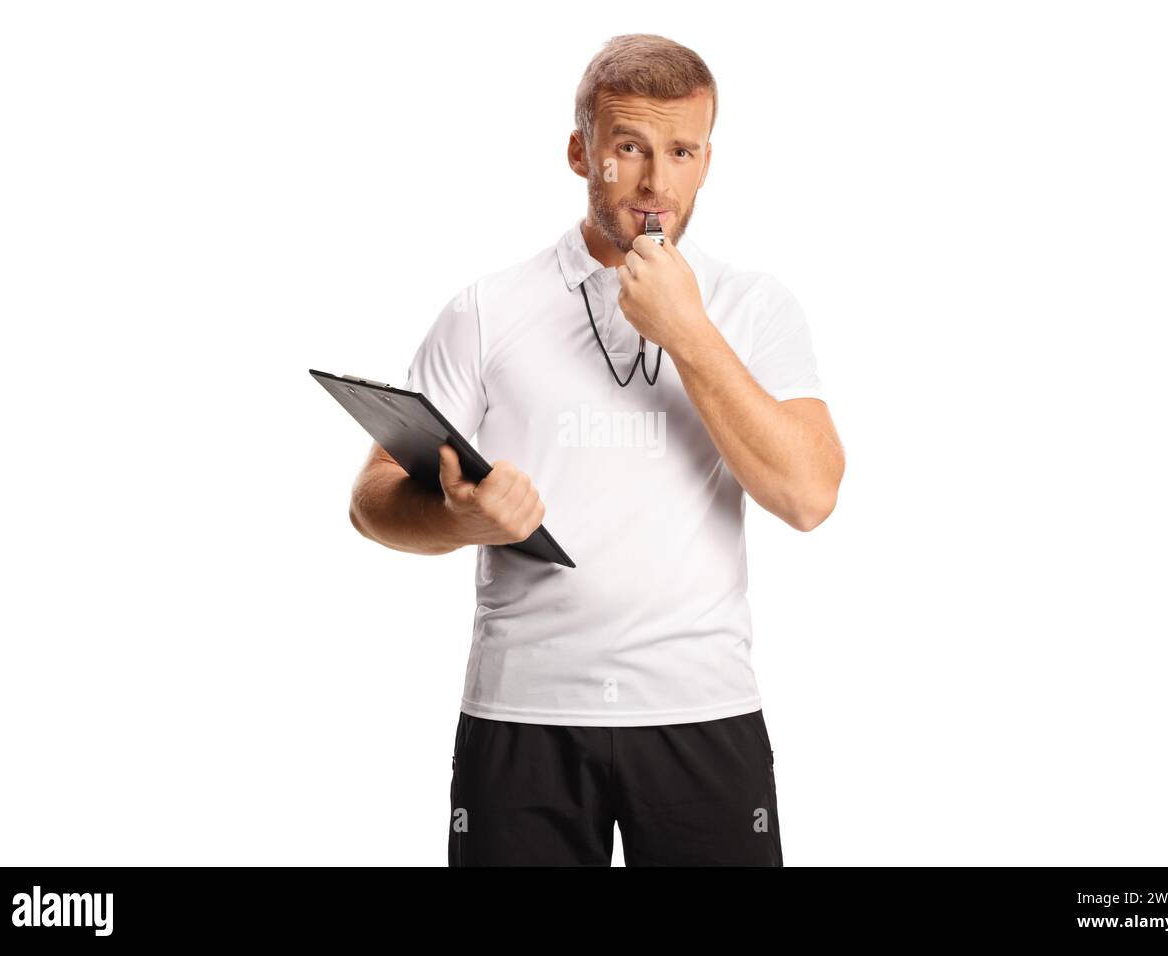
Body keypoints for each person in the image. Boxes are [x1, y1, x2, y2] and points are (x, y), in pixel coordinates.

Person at [349, 33, 845, 866]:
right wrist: (464, 519)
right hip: (522, 719)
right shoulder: (486, 309)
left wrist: (689, 333)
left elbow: (808, 496)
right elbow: (371, 502)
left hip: (702, 712)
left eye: (681, 150)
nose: (656, 180)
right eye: (628, 148)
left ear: (707, 161)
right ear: (582, 152)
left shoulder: (754, 307)